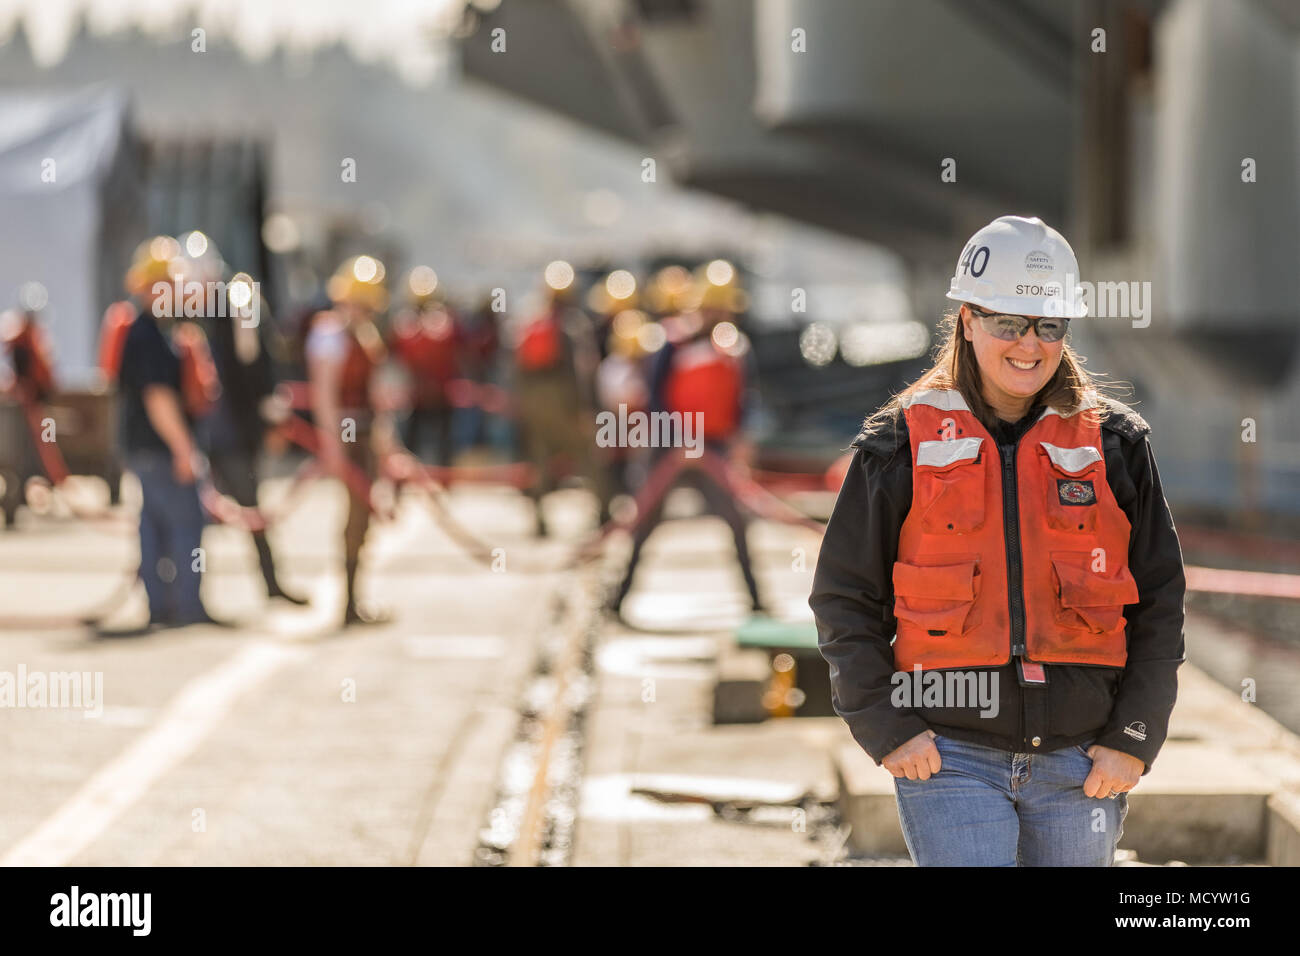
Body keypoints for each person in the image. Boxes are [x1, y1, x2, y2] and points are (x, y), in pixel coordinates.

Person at [809, 215, 1186, 866]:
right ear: (967, 321)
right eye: (1007, 322)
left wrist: (1135, 735)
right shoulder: (898, 445)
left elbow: (1160, 599)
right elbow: (844, 596)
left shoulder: (1117, 447)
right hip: (949, 759)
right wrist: (887, 728)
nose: (1029, 345)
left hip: (1080, 763)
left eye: (1048, 325)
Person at [607, 260, 766, 617]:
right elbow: (655, 395)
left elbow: (744, 397)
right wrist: (676, 442)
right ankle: (618, 598)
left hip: (715, 448)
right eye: (715, 305)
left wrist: (742, 438)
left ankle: (756, 601)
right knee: (645, 523)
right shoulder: (672, 342)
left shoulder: (735, 347)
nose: (721, 312)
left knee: (736, 521)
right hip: (670, 448)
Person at [176, 231, 308, 608]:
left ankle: (270, 582)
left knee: (249, 508)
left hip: (231, 431)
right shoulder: (183, 313)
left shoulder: (235, 304)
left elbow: (253, 361)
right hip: (200, 432)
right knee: (188, 516)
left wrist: (268, 405)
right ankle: (185, 597)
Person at [107, 236, 226, 631]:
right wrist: (184, 449)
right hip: (159, 447)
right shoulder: (149, 336)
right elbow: (158, 399)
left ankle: (162, 608)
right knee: (184, 523)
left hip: (144, 446)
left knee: (154, 525)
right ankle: (185, 607)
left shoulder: (151, 331)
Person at [306, 255, 397, 627]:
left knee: (363, 518)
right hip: (348, 434)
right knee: (356, 516)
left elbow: (376, 393)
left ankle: (354, 598)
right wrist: (332, 444)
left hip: (364, 433)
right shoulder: (330, 334)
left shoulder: (363, 333)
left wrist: (386, 442)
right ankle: (347, 602)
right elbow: (324, 393)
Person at [513, 260, 612, 536]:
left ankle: (539, 519)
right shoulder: (572, 325)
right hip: (564, 403)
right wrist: (586, 409)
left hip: (535, 404)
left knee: (541, 461)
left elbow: (517, 369)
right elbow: (581, 371)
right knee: (589, 455)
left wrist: (524, 406)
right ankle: (604, 512)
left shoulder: (531, 320)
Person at [388, 266, 461, 466]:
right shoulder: (436, 323)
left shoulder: (419, 324)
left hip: (430, 395)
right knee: (417, 441)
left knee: (428, 442)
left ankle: (435, 479)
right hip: (424, 395)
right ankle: (410, 479)